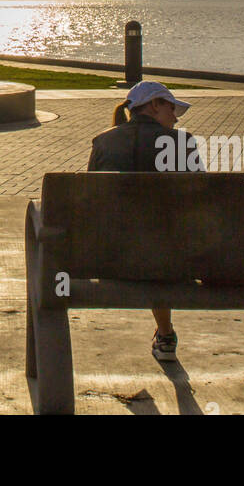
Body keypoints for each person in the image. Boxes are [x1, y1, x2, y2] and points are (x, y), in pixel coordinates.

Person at [88, 80, 201, 363]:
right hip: (174, 263)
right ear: (154, 106)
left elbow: (91, 205)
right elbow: (200, 205)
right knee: (161, 240)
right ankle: (165, 334)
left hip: (111, 261)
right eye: (171, 109)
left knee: (149, 240)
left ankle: (165, 334)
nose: (175, 117)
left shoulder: (103, 142)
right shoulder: (181, 144)